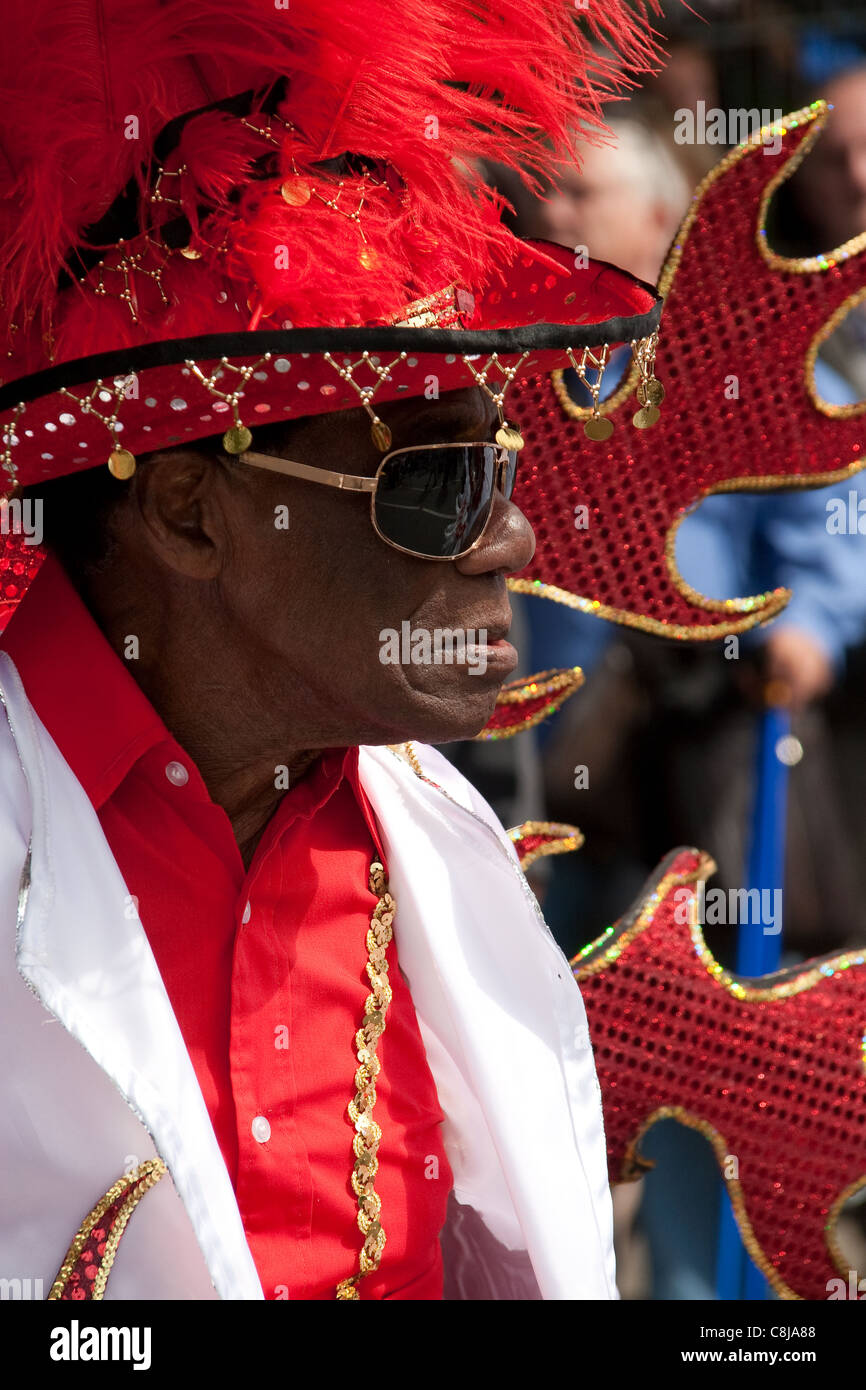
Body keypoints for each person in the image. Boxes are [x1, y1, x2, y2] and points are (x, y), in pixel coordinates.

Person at [0, 0, 672, 1300]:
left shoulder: (428, 832)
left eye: (499, 466)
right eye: (435, 480)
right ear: (192, 512)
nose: (511, 541)